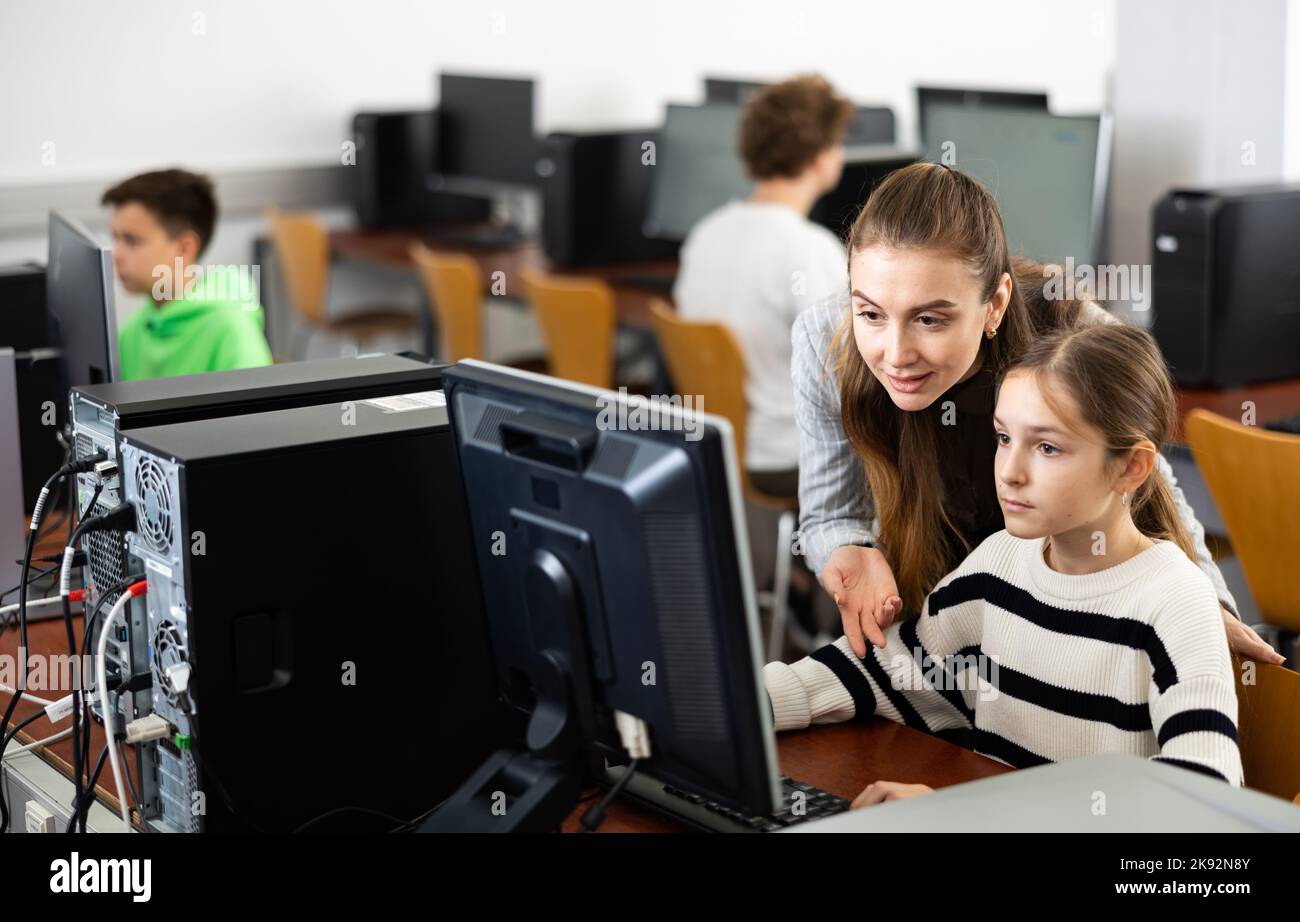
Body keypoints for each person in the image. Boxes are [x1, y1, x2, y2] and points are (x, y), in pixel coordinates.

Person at [791, 162, 1283, 665]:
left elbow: (1152, 484)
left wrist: (1204, 606)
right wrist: (852, 549)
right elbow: (831, 514)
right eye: (870, 313)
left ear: (995, 304)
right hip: (929, 615)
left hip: (1062, 615)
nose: (895, 353)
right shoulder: (825, 342)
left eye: (930, 319)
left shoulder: (1071, 333)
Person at [766, 322, 1245, 807]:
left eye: (1047, 447)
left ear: (1131, 467)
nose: (1010, 473)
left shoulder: (1176, 602)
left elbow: (1200, 804)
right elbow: (891, 671)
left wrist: (964, 817)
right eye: (1002, 438)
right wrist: (741, 706)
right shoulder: (1001, 563)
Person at [674, 74, 853, 497]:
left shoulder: (706, 233)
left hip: (718, 445)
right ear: (819, 156)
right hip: (787, 459)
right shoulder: (809, 249)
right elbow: (850, 373)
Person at [104, 168, 272, 381]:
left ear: (184, 249)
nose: (116, 255)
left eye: (131, 241)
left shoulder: (231, 331)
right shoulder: (134, 330)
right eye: (115, 238)